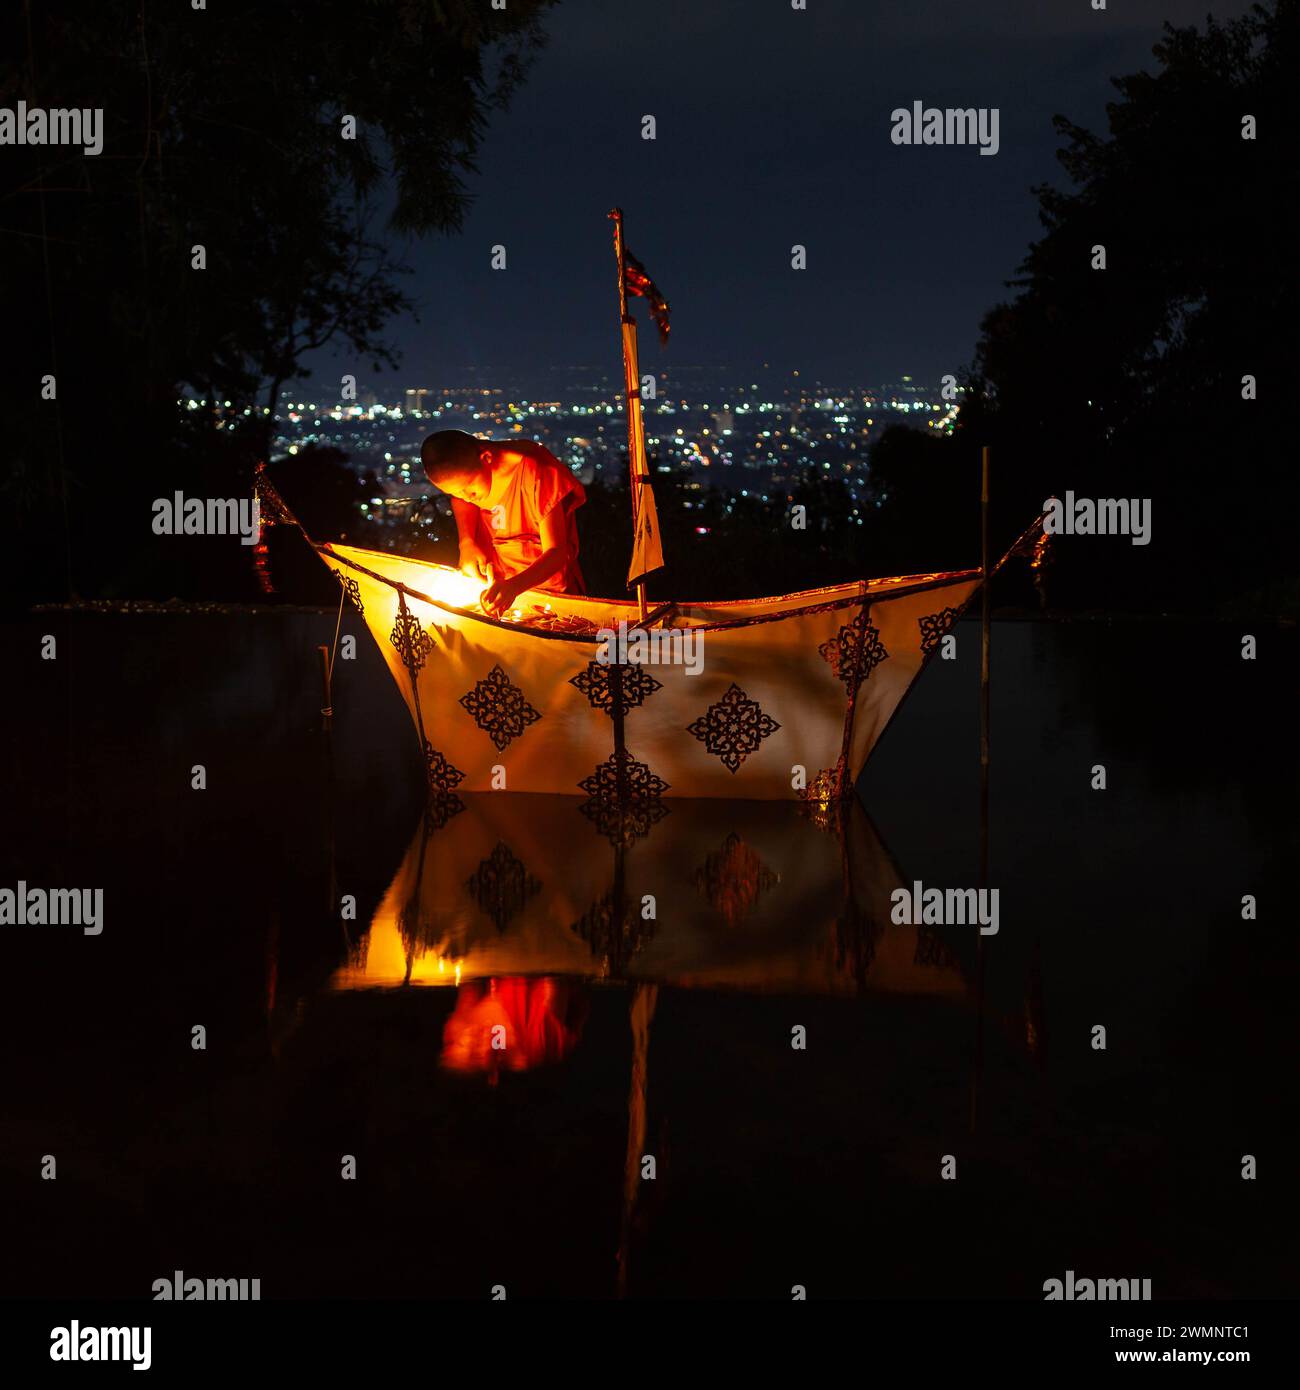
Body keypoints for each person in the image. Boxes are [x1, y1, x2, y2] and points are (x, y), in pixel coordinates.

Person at [421, 430, 586, 616]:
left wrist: (514, 587)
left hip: (551, 599)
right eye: (455, 493)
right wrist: (466, 542)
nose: (466, 498)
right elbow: (461, 498)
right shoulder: (470, 474)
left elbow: (556, 553)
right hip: (501, 591)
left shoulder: (538, 473)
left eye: (470, 490)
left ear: (486, 458)